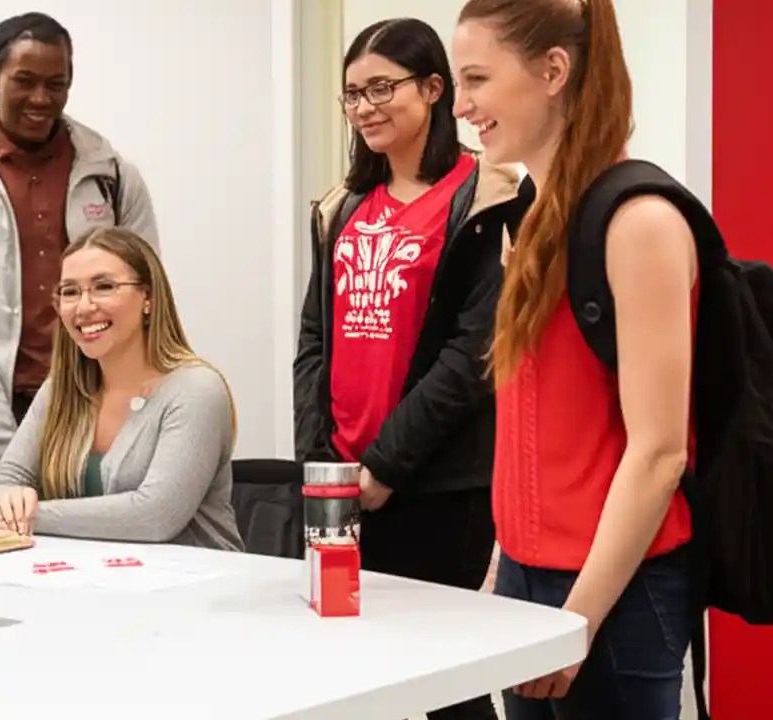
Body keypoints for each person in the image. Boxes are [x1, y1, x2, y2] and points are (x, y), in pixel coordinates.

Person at [453, 1, 695, 717]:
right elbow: (532, 416)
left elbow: (659, 453)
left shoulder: (639, 221)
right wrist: (505, 563)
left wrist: (578, 620)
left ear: (553, 71)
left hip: (614, 593)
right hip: (531, 579)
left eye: (477, 79)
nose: (462, 105)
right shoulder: (529, 218)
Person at [293, 18, 530, 720]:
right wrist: (320, 461)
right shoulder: (342, 207)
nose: (364, 107)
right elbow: (316, 337)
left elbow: (476, 351)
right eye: (351, 94)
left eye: (381, 87)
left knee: (444, 687)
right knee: (351, 675)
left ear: (433, 88)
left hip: (437, 485)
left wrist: (388, 465)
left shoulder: (488, 197)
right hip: (340, 481)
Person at [0, 12, 158, 521]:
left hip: (98, 411)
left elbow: (144, 294)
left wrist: (130, 409)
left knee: (101, 575)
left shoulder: (112, 175)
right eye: (24, 81)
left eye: (57, 83)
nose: (41, 99)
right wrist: (11, 453)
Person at [0, 228, 241, 551]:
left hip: (199, 592)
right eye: (70, 292)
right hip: (96, 585)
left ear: (148, 298)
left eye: (104, 287)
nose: (84, 307)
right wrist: (7, 505)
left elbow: (155, 515)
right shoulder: (59, 391)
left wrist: (31, 514)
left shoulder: (196, 390)